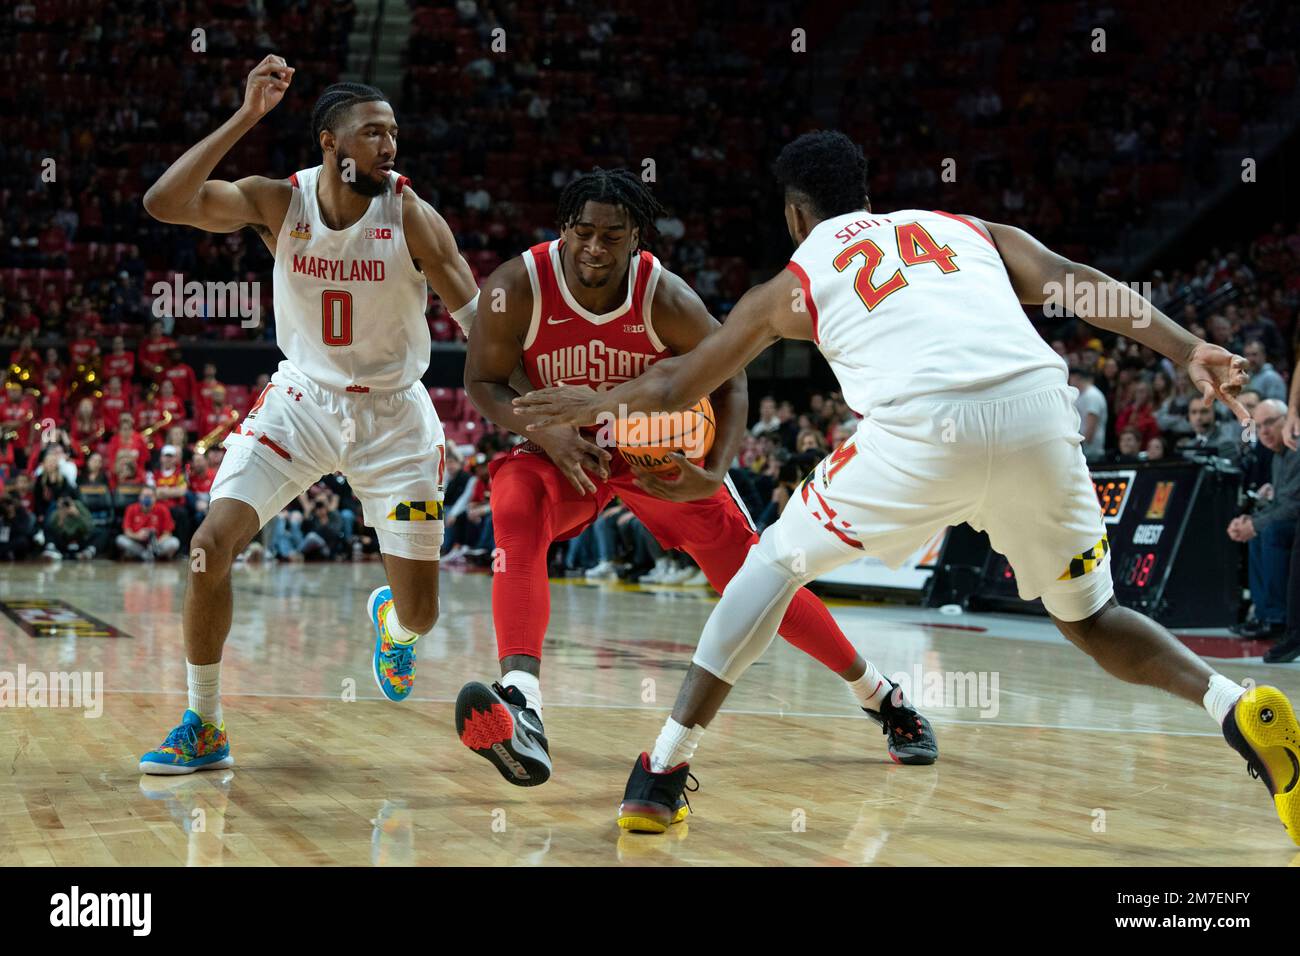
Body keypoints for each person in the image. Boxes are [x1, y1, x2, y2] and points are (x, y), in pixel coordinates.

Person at [516, 130, 1300, 844]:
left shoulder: (793, 281)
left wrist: (600, 404)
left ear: (795, 214)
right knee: (1095, 618)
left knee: (771, 566)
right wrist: (1187, 346)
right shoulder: (969, 230)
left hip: (924, 432)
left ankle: (659, 773)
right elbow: (1075, 285)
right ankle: (1233, 705)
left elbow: (685, 380)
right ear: (866, 192)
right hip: (1039, 412)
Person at [459, 166, 935, 791]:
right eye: (583, 233)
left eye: (613, 235)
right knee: (514, 503)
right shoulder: (518, 286)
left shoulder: (666, 297)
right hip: (568, 443)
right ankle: (522, 704)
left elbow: (734, 378)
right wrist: (544, 431)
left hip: (660, 456)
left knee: (758, 586)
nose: (595, 248)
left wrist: (710, 475)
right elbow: (482, 381)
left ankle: (881, 696)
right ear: (564, 231)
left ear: (638, 238)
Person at [136, 58, 479, 773]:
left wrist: (532, 403)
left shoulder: (411, 215)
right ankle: (204, 722)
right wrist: (246, 116)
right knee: (209, 546)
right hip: (301, 405)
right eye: (374, 133)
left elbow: (479, 319)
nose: (390, 146)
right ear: (332, 143)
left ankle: (392, 621)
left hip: (395, 423)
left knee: (421, 615)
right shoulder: (276, 202)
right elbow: (164, 203)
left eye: (394, 134)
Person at [1226, 399, 1300, 641]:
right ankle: (1264, 614)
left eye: (1270, 423)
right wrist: (1251, 519)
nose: (1264, 431)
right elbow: (1281, 503)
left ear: (1287, 420)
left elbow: (1293, 507)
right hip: (1290, 520)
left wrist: (1255, 525)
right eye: (1259, 426)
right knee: (1260, 532)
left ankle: (1277, 618)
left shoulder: (1296, 449)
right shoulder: (1279, 455)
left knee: (1270, 532)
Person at [116, 487, 181, 561]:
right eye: (144, 496)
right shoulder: (131, 508)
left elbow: (168, 533)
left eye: (150, 496)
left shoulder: (163, 509)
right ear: (140, 497)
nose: (147, 498)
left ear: (155, 498)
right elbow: (127, 532)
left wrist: (155, 543)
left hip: (156, 544)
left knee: (174, 542)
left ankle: (146, 555)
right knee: (120, 540)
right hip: (137, 544)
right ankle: (146, 555)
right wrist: (137, 536)